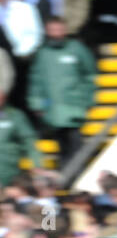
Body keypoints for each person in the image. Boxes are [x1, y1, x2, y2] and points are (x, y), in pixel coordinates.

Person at [26, 14, 93, 166]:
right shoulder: (43, 54)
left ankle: (75, 174)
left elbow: (89, 75)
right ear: (47, 31)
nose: (56, 33)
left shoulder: (77, 49)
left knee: (75, 144)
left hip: (74, 106)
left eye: (59, 29)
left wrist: (87, 99)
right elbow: (36, 80)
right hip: (54, 108)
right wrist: (36, 103)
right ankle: (65, 178)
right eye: (53, 30)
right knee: (61, 146)